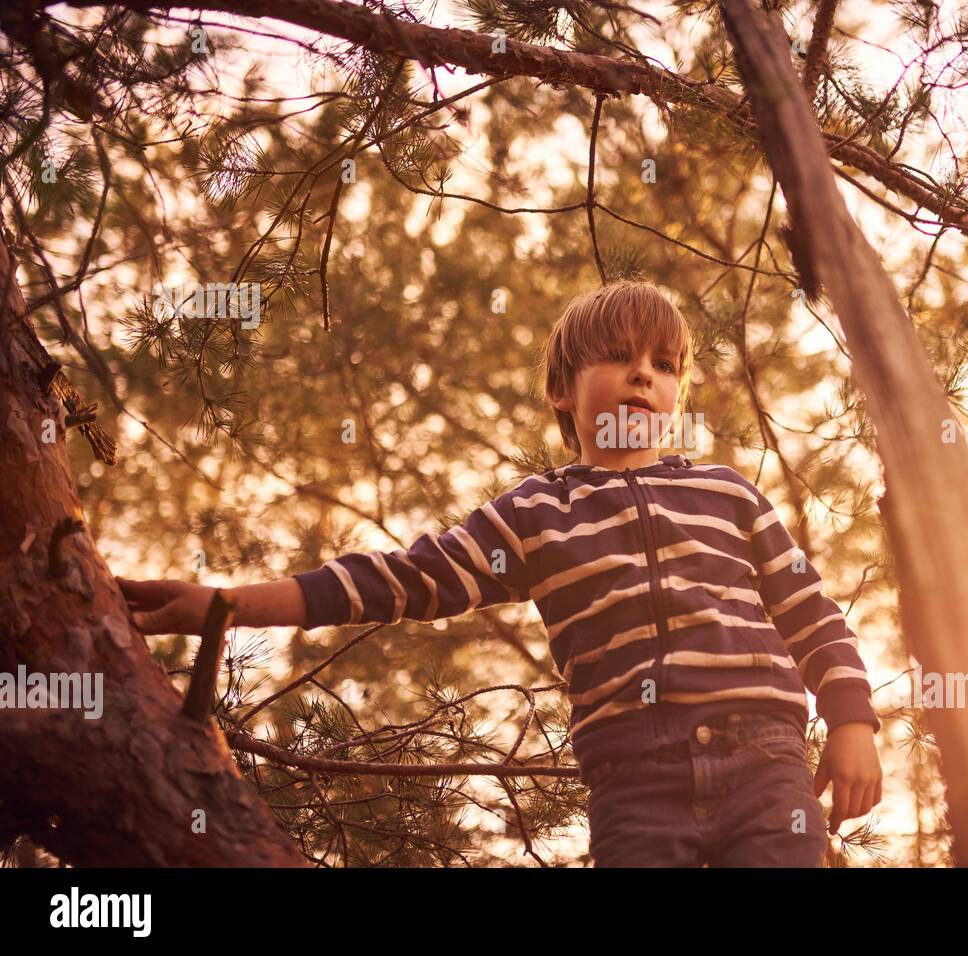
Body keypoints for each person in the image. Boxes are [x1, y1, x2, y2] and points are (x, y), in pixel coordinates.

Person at [118, 279, 885, 866]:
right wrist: (224, 604)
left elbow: (812, 615)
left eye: (664, 364)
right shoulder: (534, 515)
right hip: (636, 779)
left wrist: (851, 719)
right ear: (562, 389)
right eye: (619, 357)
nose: (644, 376)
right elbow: (401, 579)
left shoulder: (727, 493)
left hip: (768, 766)